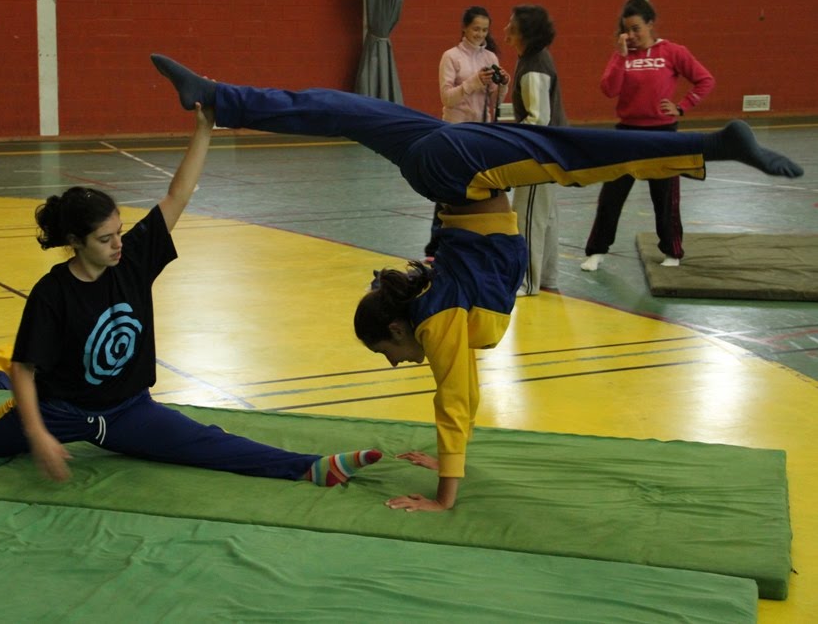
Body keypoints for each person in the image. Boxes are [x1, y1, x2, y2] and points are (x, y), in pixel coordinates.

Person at [149, 53, 801, 513]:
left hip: (454, 173)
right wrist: (441, 460)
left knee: (569, 155)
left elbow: (452, 399)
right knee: (345, 111)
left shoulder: (435, 322)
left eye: (388, 352)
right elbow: (459, 393)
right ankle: (216, 94)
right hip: (453, 174)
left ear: (398, 327)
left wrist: (443, 495)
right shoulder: (441, 308)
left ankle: (715, 143)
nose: (400, 362)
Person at [0, 104, 383, 489]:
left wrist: (205, 128)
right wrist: (40, 435)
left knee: (207, 444)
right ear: (75, 242)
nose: (120, 243)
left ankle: (310, 466)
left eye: (120, 231)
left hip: (127, 411)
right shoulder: (52, 296)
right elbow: (22, 372)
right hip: (60, 410)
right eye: (105, 238)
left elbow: (177, 193)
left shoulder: (132, 260)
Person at [581, 0, 716, 271]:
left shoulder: (673, 52)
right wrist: (620, 57)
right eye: (626, 30)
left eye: (636, 29)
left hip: (663, 135)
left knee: (665, 197)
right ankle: (596, 251)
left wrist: (682, 107)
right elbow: (609, 90)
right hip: (626, 135)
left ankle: (672, 250)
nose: (631, 35)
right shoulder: (622, 55)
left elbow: (705, 80)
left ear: (650, 25)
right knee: (611, 196)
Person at [426, 6, 510, 259]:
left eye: (484, 30)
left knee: (479, 189)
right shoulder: (450, 57)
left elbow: (497, 98)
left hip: (482, 132)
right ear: (464, 27)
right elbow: (447, 98)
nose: (480, 34)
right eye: (476, 29)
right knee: (447, 190)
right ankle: (434, 246)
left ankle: (473, 241)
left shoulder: (491, 58)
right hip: (454, 131)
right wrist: (473, 82)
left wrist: (502, 84)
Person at [505, 5, 565, 296]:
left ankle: (527, 282)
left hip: (539, 155)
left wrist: (511, 143)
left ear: (525, 34)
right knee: (546, 217)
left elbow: (537, 119)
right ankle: (548, 277)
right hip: (553, 152)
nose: (506, 31)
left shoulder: (534, 67)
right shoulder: (534, 59)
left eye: (512, 27)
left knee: (528, 217)